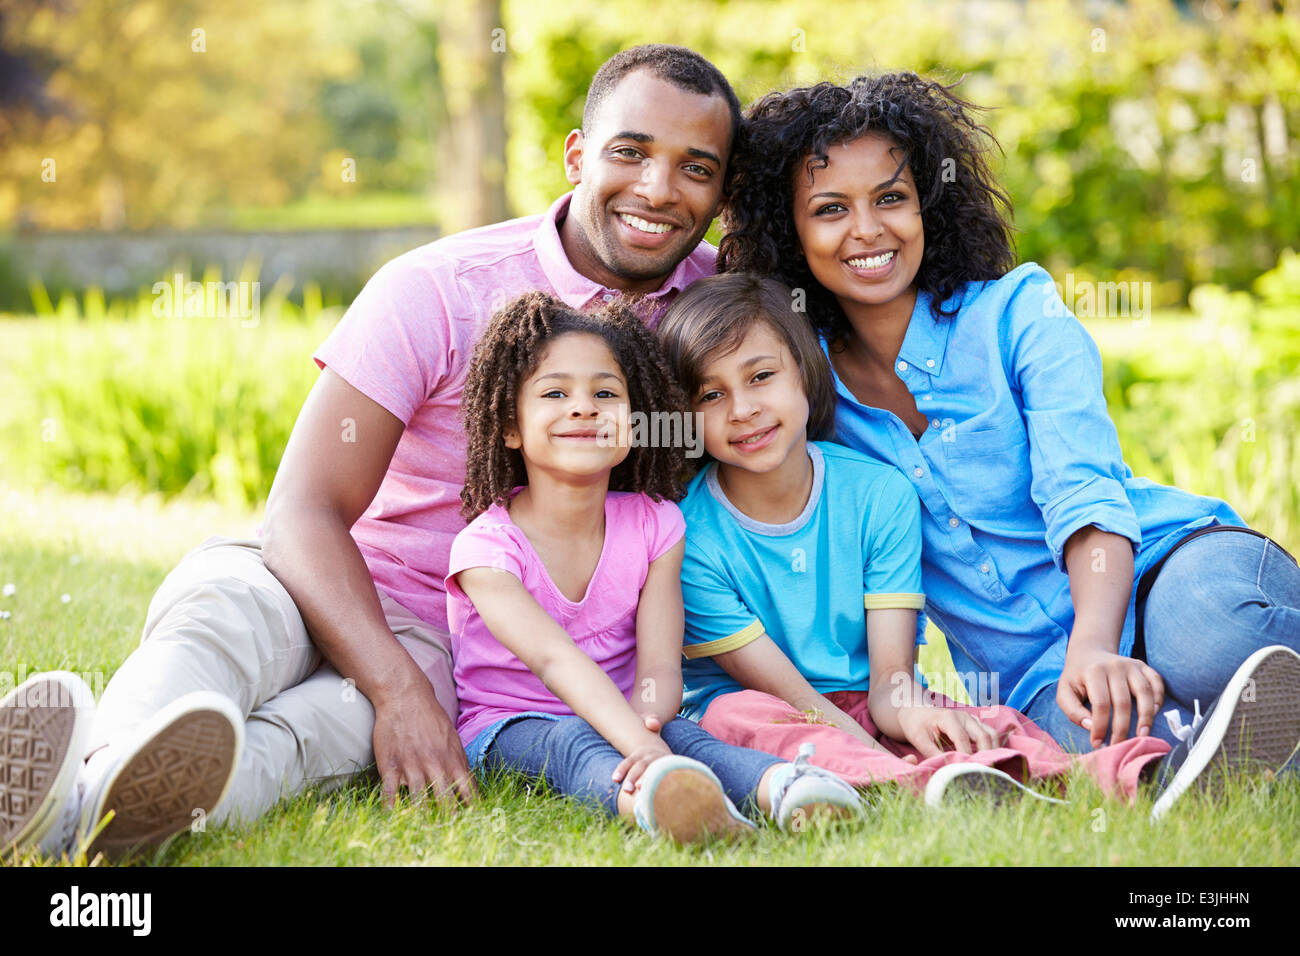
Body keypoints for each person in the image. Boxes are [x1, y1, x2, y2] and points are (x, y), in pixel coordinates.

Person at [0, 44, 748, 860]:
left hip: (437, 631)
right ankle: (98, 774)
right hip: (309, 571)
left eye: (695, 168)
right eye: (630, 151)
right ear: (577, 155)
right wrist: (394, 689)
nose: (657, 189)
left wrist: (409, 685)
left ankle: (83, 823)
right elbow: (303, 510)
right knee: (214, 624)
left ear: (720, 194)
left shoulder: (709, 325)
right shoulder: (436, 287)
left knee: (304, 740)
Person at [717, 73, 1300, 815]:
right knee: (1111, 752)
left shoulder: (1018, 315)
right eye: (830, 210)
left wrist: (1094, 646)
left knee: (1214, 649)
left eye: (891, 198)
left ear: (929, 203)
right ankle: (1226, 763)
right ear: (789, 232)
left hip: (1166, 571)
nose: (867, 230)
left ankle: (1225, 720)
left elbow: (1083, 492)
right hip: (1031, 675)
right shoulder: (802, 393)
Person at [657, 271, 1170, 806]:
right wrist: (875, 751)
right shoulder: (688, 536)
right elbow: (793, 697)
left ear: (806, 373)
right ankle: (920, 786)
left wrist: (916, 717)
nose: (742, 410)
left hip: (867, 700)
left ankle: (1122, 773)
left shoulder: (879, 494)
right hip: (767, 712)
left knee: (981, 721)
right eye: (711, 395)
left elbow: (889, 684)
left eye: (761, 376)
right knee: (740, 715)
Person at [445, 291, 861, 841]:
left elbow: (661, 665)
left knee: (692, 738)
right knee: (572, 745)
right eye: (554, 393)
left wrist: (649, 722)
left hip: (628, 712)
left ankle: (788, 788)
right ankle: (659, 801)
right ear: (510, 427)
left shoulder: (656, 525)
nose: (583, 407)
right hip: (511, 726)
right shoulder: (487, 549)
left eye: (605, 393)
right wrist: (639, 744)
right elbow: (555, 662)